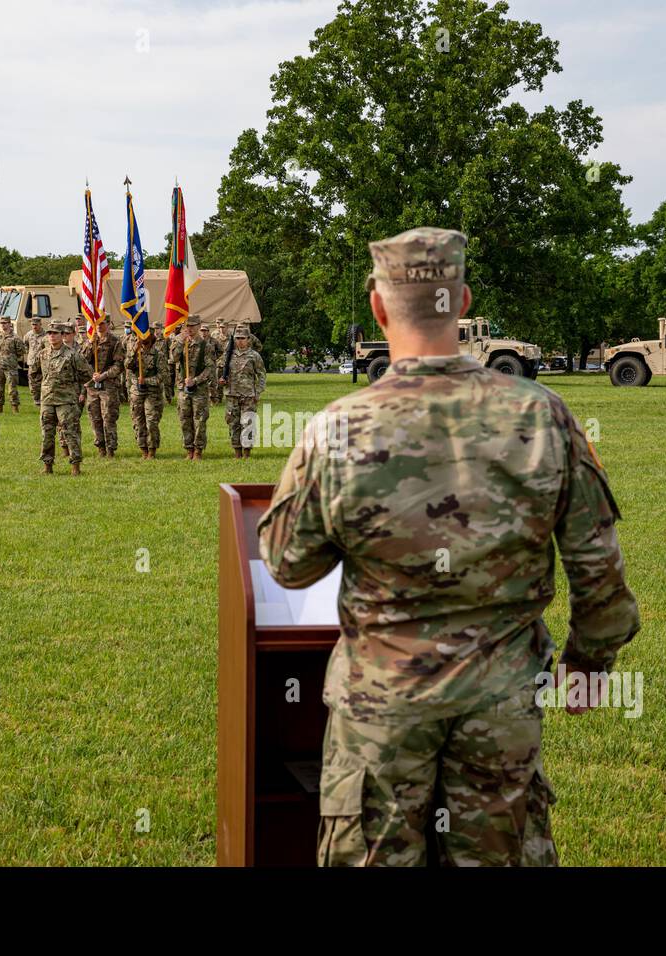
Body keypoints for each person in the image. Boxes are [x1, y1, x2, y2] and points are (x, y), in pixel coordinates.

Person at [257, 227, 640, 867]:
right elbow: (600, 574)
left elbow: (288, 564)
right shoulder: (543, 415)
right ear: (461, 302)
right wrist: (588, 665)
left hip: (381, 704)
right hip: (502, 702)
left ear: (379, 310)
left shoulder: (340, 427)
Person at [38, 321, 91, 475]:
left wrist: (75, 389)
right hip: (47, 399)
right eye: (49, 333)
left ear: (62, 335)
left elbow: (87, 374)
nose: (52, 336)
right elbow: (35, 374)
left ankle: (75, 466)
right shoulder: (43, 354)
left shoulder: (72, 354)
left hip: (66, 401)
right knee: (47, 434)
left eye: (55, 333)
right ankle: (47, 466)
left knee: (70, 433)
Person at [171, 315, 216, 460]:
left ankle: (198, 450)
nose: (189, 329)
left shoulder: (206, 346)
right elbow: (174, 358)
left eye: (192, 326)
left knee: (200, 420)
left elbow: (210, 368)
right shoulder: (180, 343)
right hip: (182, 388)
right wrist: (179, 341)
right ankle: (188, 448)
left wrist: (195, 380)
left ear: (198, 326)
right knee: (185, 419)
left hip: (199, 389)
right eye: (187, 326)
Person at [81, 314, 126, 457]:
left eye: (102, 323)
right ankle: (100, 447)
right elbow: (83, 361)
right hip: (92, 386)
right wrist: (89, 343)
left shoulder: (115, 342)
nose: (99, 326)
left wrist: (103, 375)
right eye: (97, 324)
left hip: (108, 385)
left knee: (108, 417)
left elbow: (119, 365)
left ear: (108, 324)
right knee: (95, 418)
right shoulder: (90, 340)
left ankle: (111, 448)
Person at [223, 326, 266, 457]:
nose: (240, 341)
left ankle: (247, 452)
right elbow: (220, 371)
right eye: (237, 338)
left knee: (248, 424)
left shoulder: (254, 355)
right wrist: (221, 379)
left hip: (248, 396)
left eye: (242, 338)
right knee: (233, 423)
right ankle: (237, 452)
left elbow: (262, 375)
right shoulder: (229, 355)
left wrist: (257, 392)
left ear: (248, 339)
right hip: (232, 395)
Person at [125, 327, 167, 459]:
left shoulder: (158, 354)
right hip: (136, 392)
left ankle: (152, 449)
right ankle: (143, 449)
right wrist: (134, 350)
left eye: (145, 336)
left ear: (151, 338)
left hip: (153, 393)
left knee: (151, 422)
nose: (142, 338)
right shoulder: (135, 352)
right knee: (138, 421)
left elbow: (163, 375)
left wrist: (146, 381)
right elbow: (128, 365)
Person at [0, 319, 27, 413]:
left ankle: (15, 408)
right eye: (2, 323)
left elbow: (22, 351)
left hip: (11, 368)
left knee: (12, 389)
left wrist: (12, 357)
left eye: (5, 323)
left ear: (9, 324)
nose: (3, 325)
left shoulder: (15, 337)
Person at [23, 316, 47, 407]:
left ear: (40, 324)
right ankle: (36, 399)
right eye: (33, 324)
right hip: (32, 362)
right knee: (33, 382)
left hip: (43, 362)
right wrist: (29, 353)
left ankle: (44, 398)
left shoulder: (46, 335)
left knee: (44, 381)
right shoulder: (29, 335)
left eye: (36, 324)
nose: (34, 326)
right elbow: (25, 344)